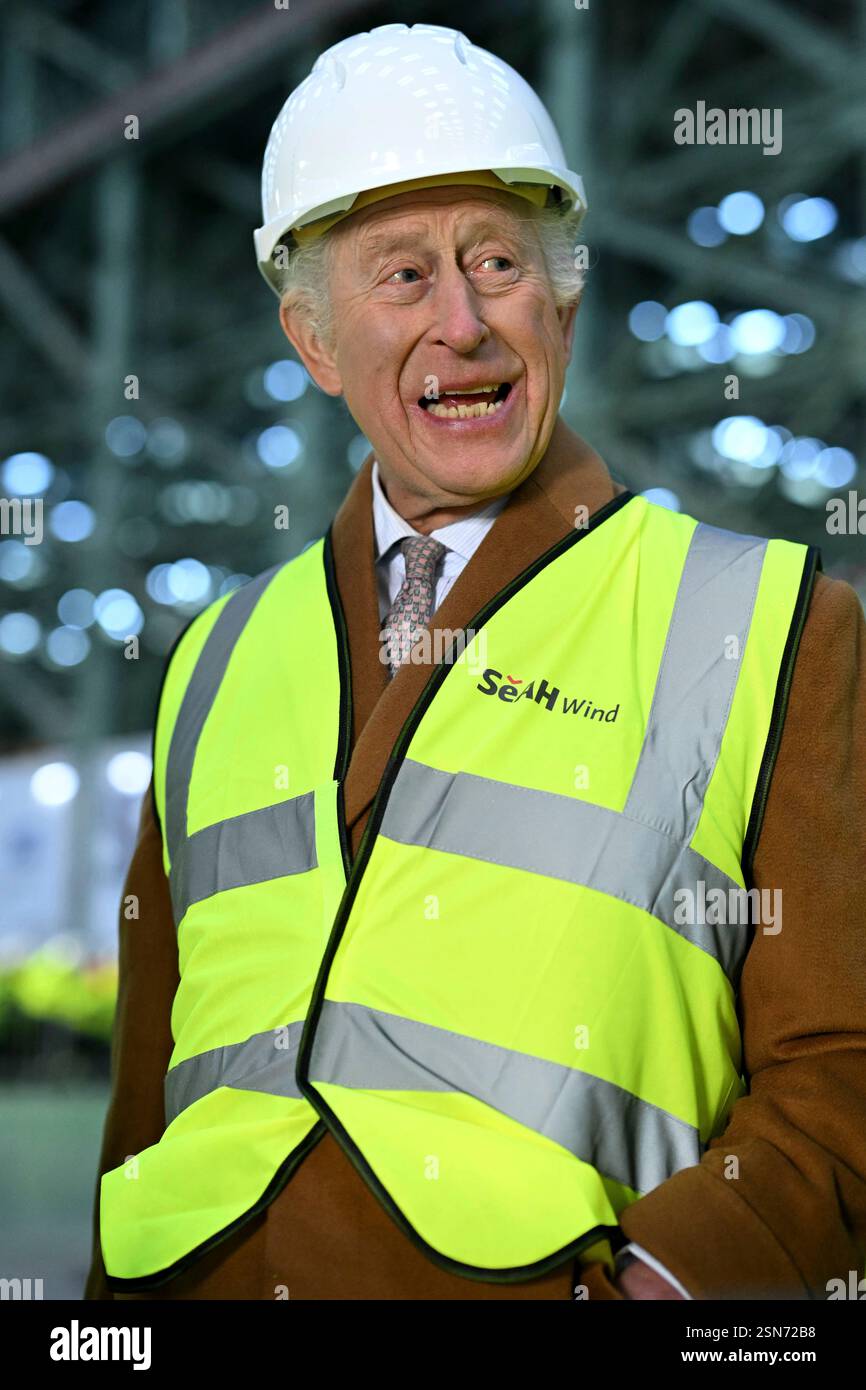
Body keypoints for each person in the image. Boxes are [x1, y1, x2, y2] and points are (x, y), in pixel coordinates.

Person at [85, 24, 866, 1302]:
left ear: (559, 298)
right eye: (400, 277)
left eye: (498, 263)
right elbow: (152, 1069)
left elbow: (843, 1058)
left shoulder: (769, 620)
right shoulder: (215, 660)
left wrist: (674, 1280)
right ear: (314, 342)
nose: (463, 324)